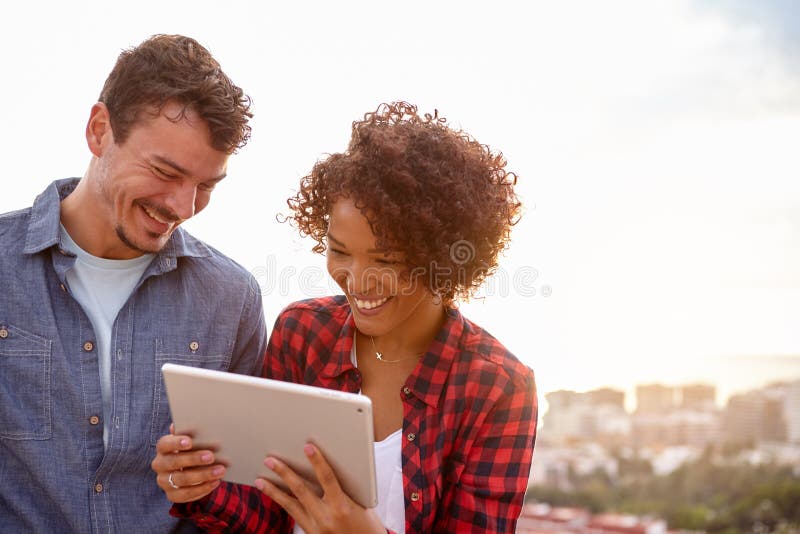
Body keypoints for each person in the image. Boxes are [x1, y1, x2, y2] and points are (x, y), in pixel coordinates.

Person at [152, 102, 538, 533]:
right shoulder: (301, 332)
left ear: (442, 260)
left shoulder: (498, 386)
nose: (356, 280)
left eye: (385, 259)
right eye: (339, 251)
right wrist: (202, 486)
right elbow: (270, 514)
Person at [0, 34, 267, 532]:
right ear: (100, 131)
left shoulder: (233, 299)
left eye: (206, 186)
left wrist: (206, 490)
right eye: (165, 171)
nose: (183, 208)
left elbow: (249, 497)